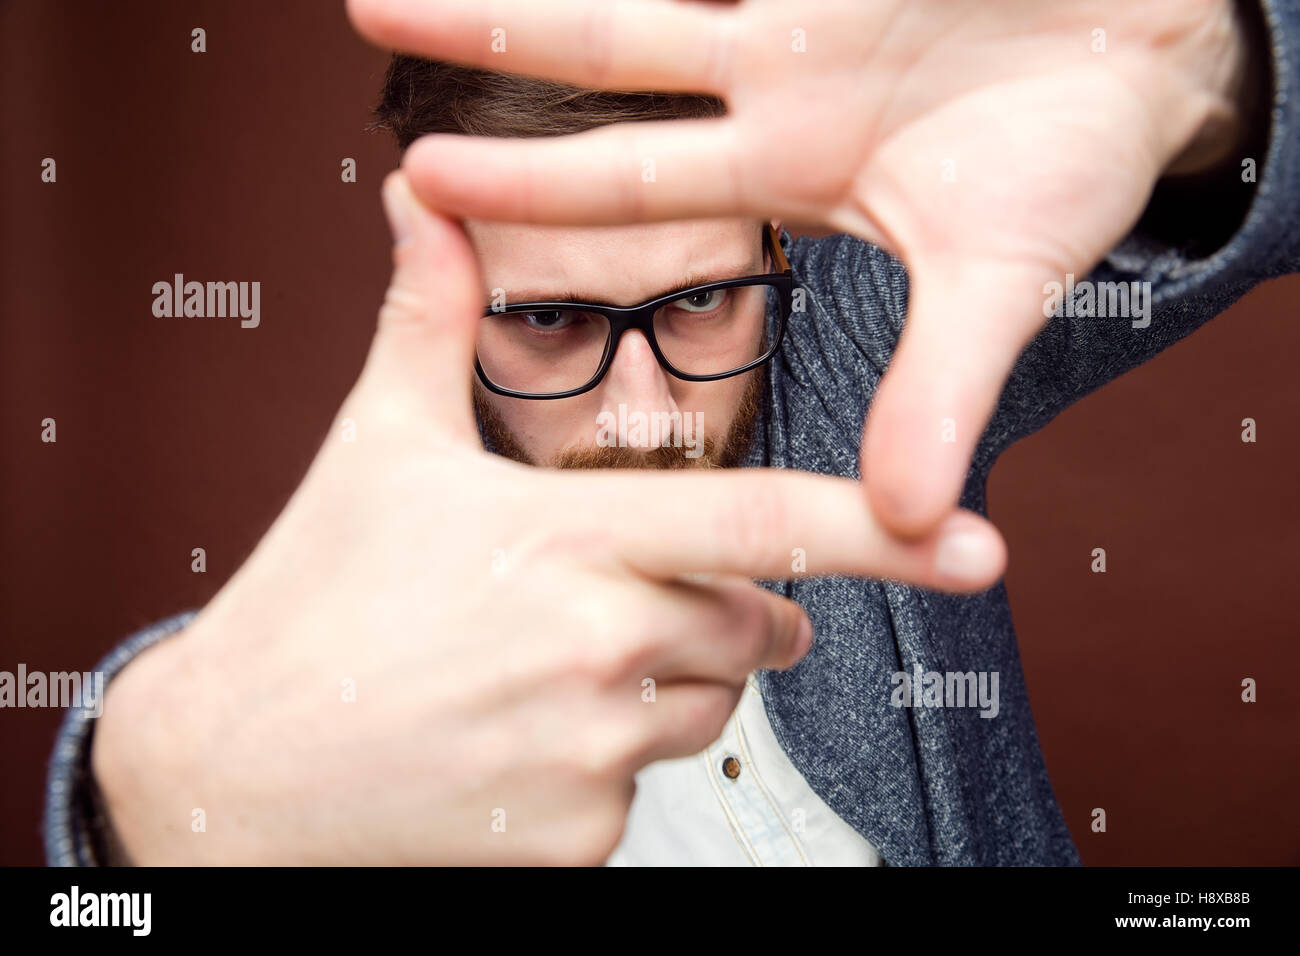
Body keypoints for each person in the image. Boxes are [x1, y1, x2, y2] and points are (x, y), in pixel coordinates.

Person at [46, 0, 1297, 865]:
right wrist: (147, 810)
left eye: (698, 301)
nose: (643, 417)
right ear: (436, 289)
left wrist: (1214, 73)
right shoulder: (352, 638)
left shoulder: (851, 355)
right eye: (546, 320)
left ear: (773, 251)